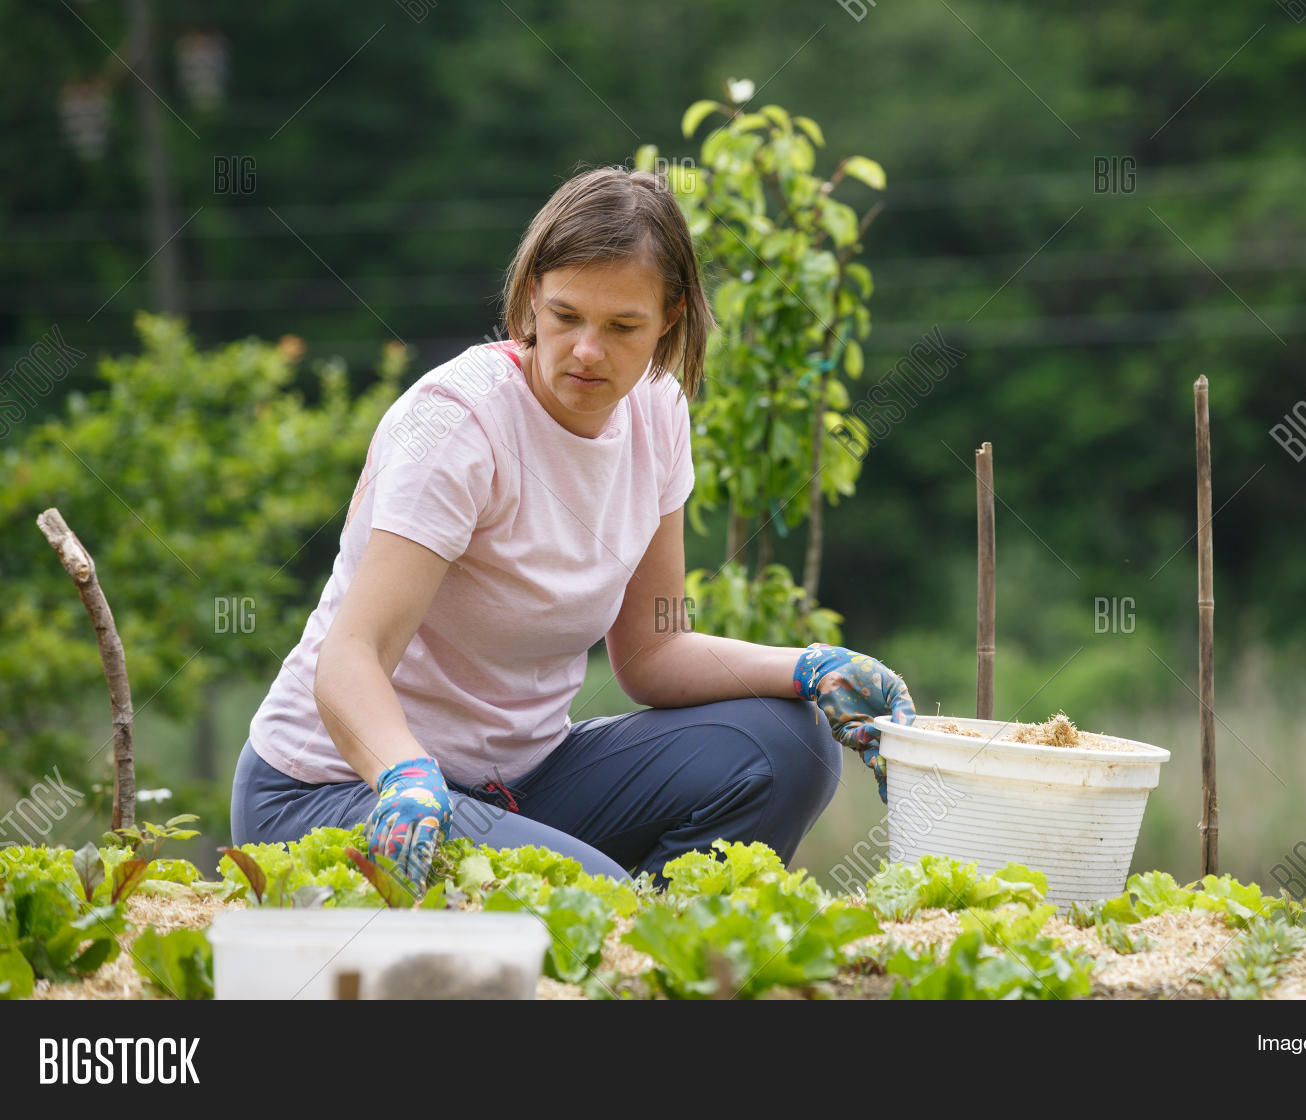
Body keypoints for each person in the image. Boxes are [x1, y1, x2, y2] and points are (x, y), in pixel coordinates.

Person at [230, 165, 915, 888]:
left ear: (671, 316)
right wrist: (401, 775)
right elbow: (350, 658)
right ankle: (629, 950)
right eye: (565, 317)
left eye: (623, 327)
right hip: (341, 790)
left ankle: (680, 955)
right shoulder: (457, 427)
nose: (589, 351)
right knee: (602, 904)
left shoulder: (658, 413)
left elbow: (655, 650)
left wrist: (812, 667)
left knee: (789, 742)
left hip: (516, 783)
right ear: (532, 297)